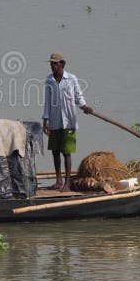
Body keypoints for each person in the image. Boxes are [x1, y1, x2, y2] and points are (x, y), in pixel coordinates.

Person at [42, 52, 93, 191]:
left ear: (62, 64)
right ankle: (58, 180)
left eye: (55, 63)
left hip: (69, 121)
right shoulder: (49, 81)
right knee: (55, 151)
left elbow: (78, 96)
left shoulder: (71, 79)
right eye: (51, 63)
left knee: (67, 152)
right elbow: (47, 102)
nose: (52, 66)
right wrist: (45, 120)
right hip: (54, 121)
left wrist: (84, 106)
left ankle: (67, 182)